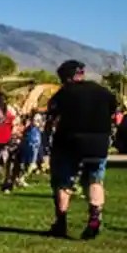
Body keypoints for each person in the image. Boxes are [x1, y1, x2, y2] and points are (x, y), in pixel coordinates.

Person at [45, 60, 118, 239]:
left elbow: (52, 118)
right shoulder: (103, 92)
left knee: (63, 182)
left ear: (66, 77)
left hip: (69, 141)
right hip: (98, 142)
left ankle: (61, 221)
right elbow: (114, 114)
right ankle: (94, 217)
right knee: (95, 180)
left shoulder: (64, 93)